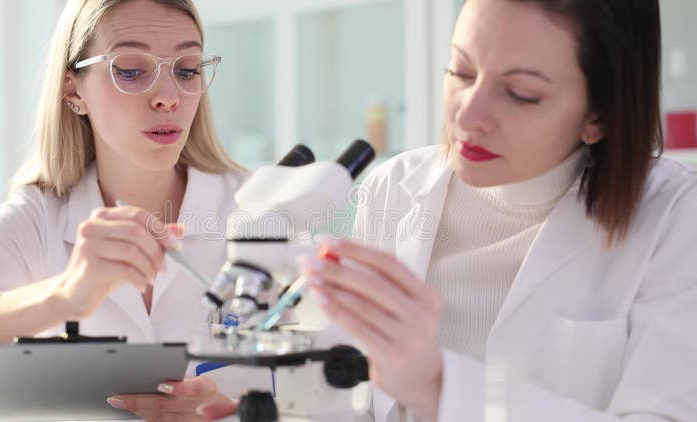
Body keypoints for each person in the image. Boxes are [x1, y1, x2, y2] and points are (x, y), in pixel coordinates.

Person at [297, 0, 697, 421]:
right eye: (461, 71)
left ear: (599, 115)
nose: (468, 115)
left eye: (521, 94)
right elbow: (356, 399)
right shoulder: (392, 188)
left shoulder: (675, 220)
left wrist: (437, 385)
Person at [0, 0, 261, 420]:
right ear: (73, 90)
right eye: (130, 70)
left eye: (187, 69)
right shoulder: (37, 220)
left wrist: (235, 412)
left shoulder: (260, 210)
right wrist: (63, 296)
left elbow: (339, 390)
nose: (168, 97)